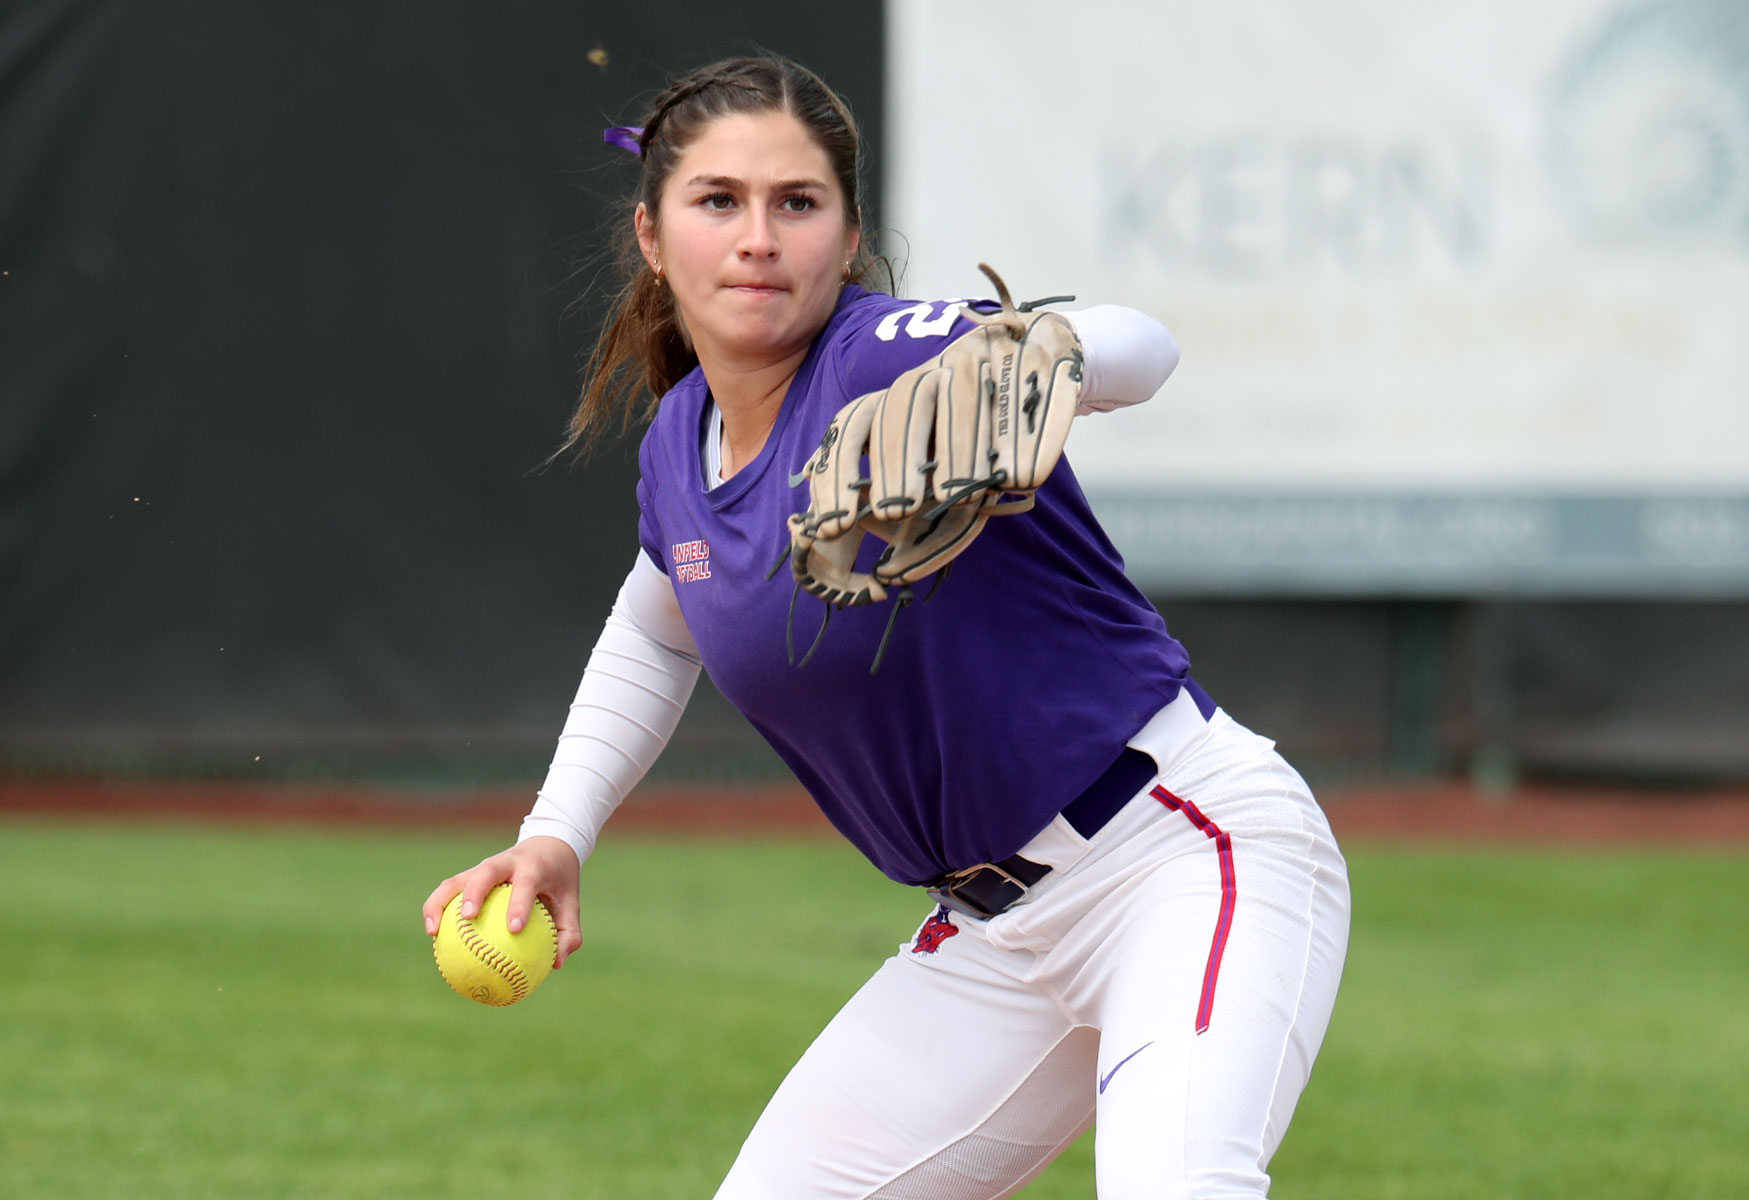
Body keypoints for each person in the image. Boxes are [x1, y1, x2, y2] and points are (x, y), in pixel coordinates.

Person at [423, 54, 1349, 1200]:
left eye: (796, 203)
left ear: (849, 236)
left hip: (1181, 857)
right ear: (653, 238)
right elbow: (660, 630)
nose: (758, 237)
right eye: (718, 201)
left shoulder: (888, 356)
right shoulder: (679, 442)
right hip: (992, 938)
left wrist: (1046, 360)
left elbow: (1143, 348)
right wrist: (558, 832)